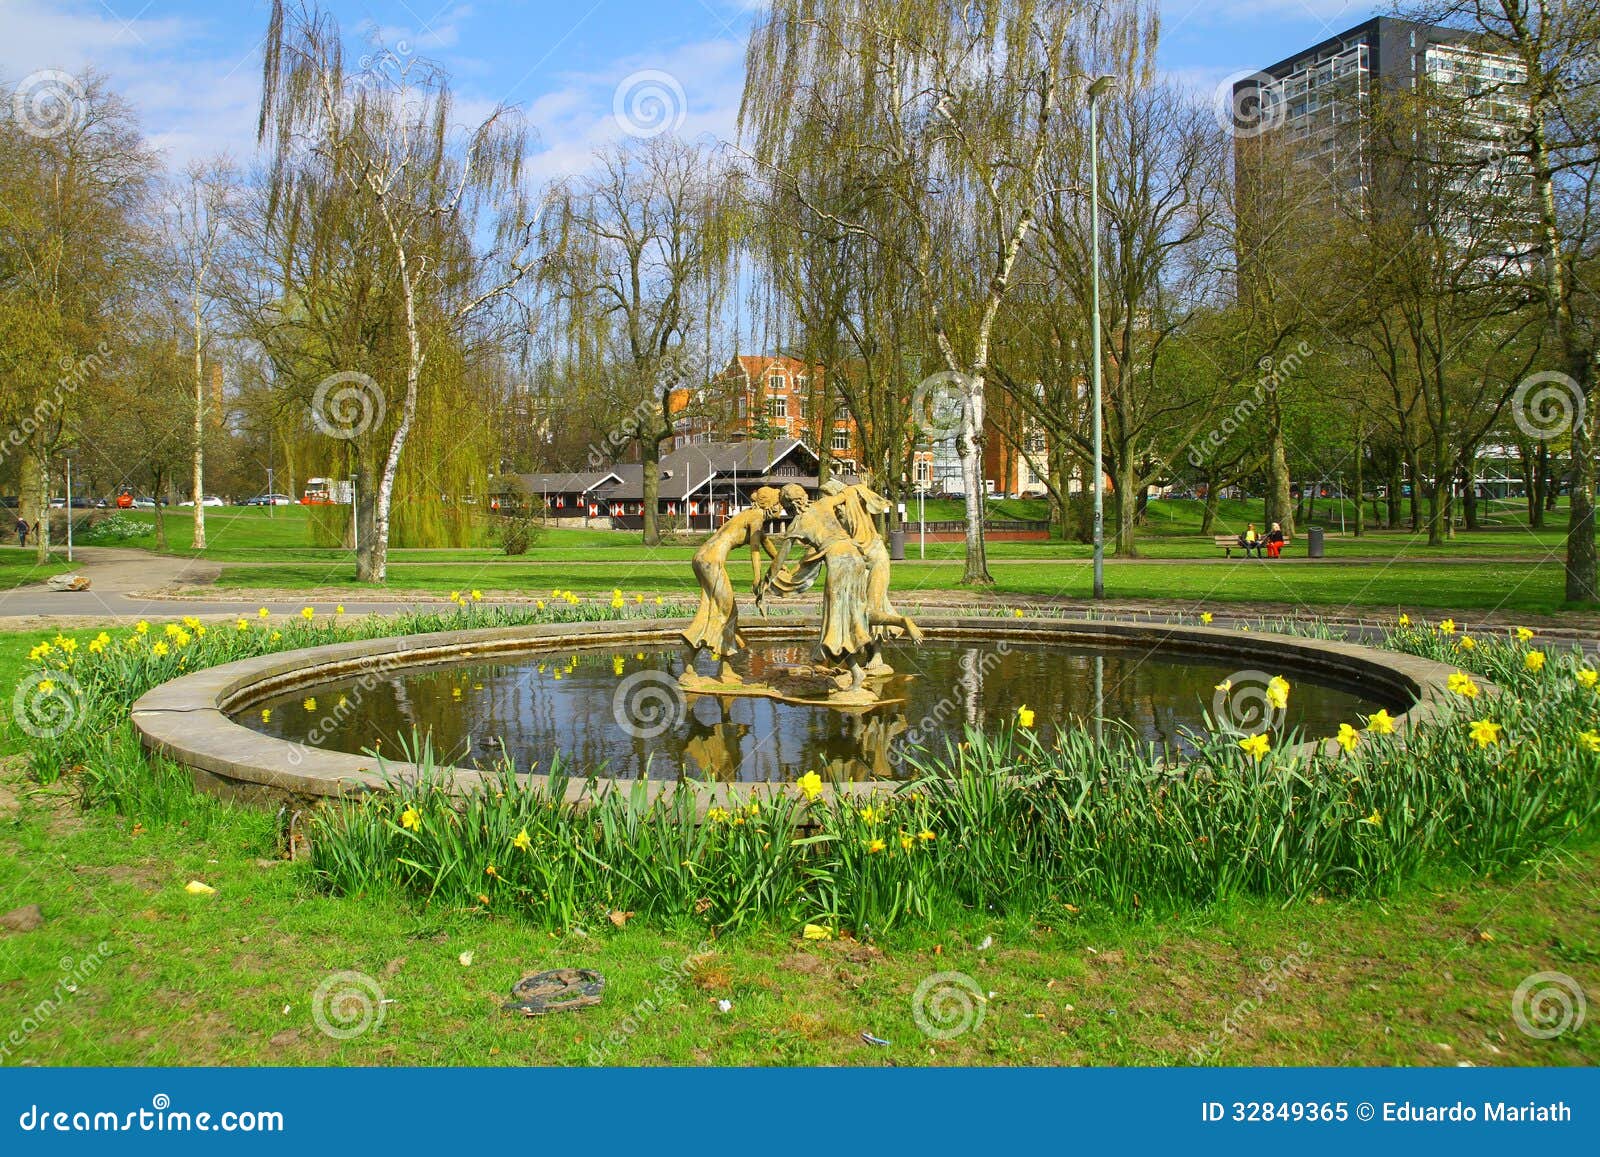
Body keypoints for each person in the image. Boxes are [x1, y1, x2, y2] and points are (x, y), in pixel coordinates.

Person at [680, 485, 786, 686]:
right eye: (780, 504)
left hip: (702, 557)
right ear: (771, 504)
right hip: (712, 561)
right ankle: (690, 657)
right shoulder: (756, 516)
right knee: (726, 613)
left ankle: (725, 666)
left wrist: (782, 564)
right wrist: (757, 579)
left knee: (722, 611)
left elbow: (766, 543)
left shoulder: (749, 514)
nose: (782, 509)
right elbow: (755, 549)